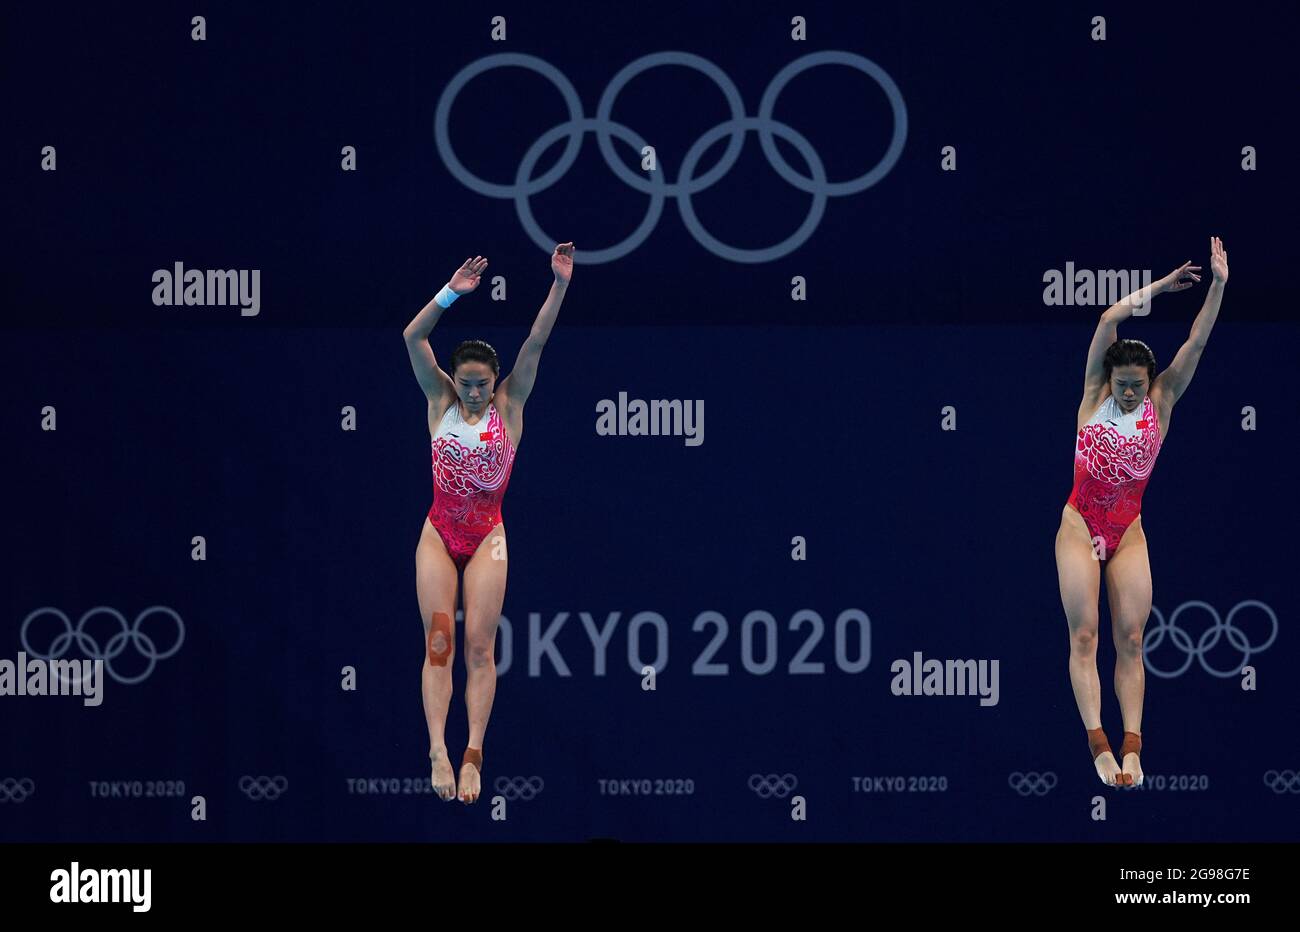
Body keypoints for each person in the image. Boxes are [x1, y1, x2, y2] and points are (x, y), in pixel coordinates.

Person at [402, 243, 575, 803]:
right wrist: (450, 293)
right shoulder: (440, 402)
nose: (474, 393)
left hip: (487, 539)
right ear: (453, 380)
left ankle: (473, 754)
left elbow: (536, 341)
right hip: (438, 534)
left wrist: (559, 284)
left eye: (482, 383)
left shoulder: (510, 406)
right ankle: (437, 748)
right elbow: (412, 338)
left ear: (496, 379)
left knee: (479, 648)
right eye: (466, 383)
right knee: (439, 644)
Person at [1055, 237, 1229, 786]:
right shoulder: (1092, 396)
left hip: (1127, 530)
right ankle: (1099, 745)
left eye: (1136, 386)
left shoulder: (1162, 401)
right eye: (1122, 385)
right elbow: (1109, 318)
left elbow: (1196, 343)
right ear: (1108, 380)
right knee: (1085, 635)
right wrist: (1162, 287)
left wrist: (1218, 286)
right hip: (1080, 525)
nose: (1129, 394)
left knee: (1131, 639)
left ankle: (1132, 745)